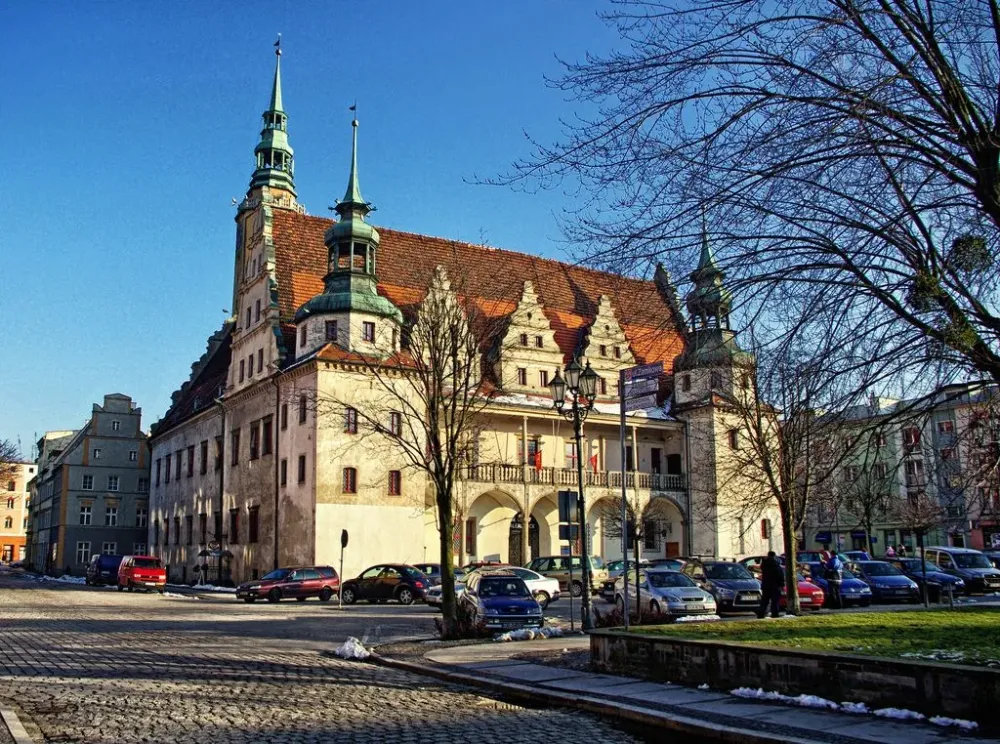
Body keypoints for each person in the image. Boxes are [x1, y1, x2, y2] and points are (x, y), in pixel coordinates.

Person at [757, 551, 784, 619]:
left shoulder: (764, 564)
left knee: (764, 601)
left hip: (766, 585)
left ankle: (761, 614)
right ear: (774, 556)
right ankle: (775, 614)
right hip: (775, 586)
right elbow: (780, 576)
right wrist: (781, 585)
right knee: (775, 601)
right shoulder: (776, 564)